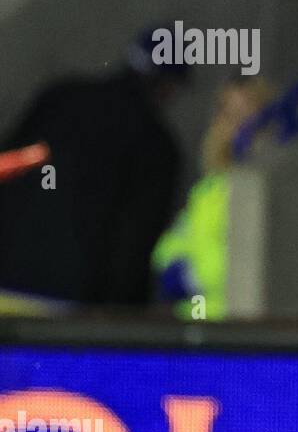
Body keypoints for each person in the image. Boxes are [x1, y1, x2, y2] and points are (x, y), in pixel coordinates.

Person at [0, 30, 186, 307]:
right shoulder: (155, 144)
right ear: (168, 86)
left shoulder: (59, 97)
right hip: (71, 305)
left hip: (7, 282)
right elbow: (134, 244)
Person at [152, 77, 274, 320]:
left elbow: (248, 260)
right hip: (196, 326)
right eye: (227, 113)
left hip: (234, 329)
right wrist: (171, 265)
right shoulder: (210, 187)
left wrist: (193, 275)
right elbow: (173, 243)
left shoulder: (263, 187)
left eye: (244, 113)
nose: (234, 125)